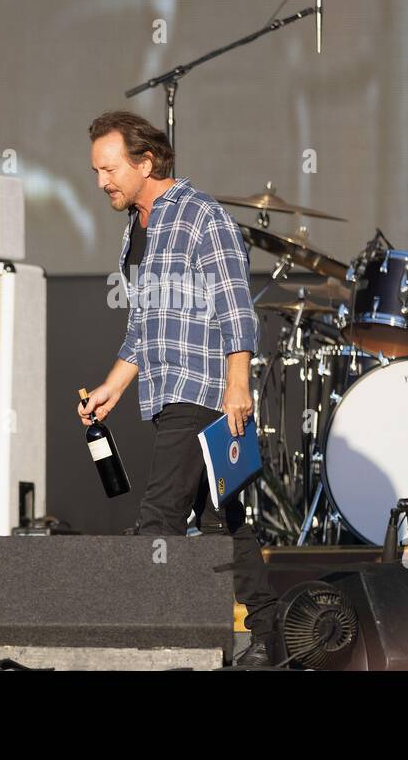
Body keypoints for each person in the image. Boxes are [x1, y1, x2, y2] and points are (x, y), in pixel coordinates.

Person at [76, 111, 278, 667]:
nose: (101, 183)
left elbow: (236, 307)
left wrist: (238, 385)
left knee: (159, 516)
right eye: (96, 171)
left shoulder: (200, 215)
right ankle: (269, 635)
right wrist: (112, 388)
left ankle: (143, 645)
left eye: (110, 169)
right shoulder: (134, 230)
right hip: (166, 391)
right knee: (221, 520)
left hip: (205, 391)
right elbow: (143, 324)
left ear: (146, 161)